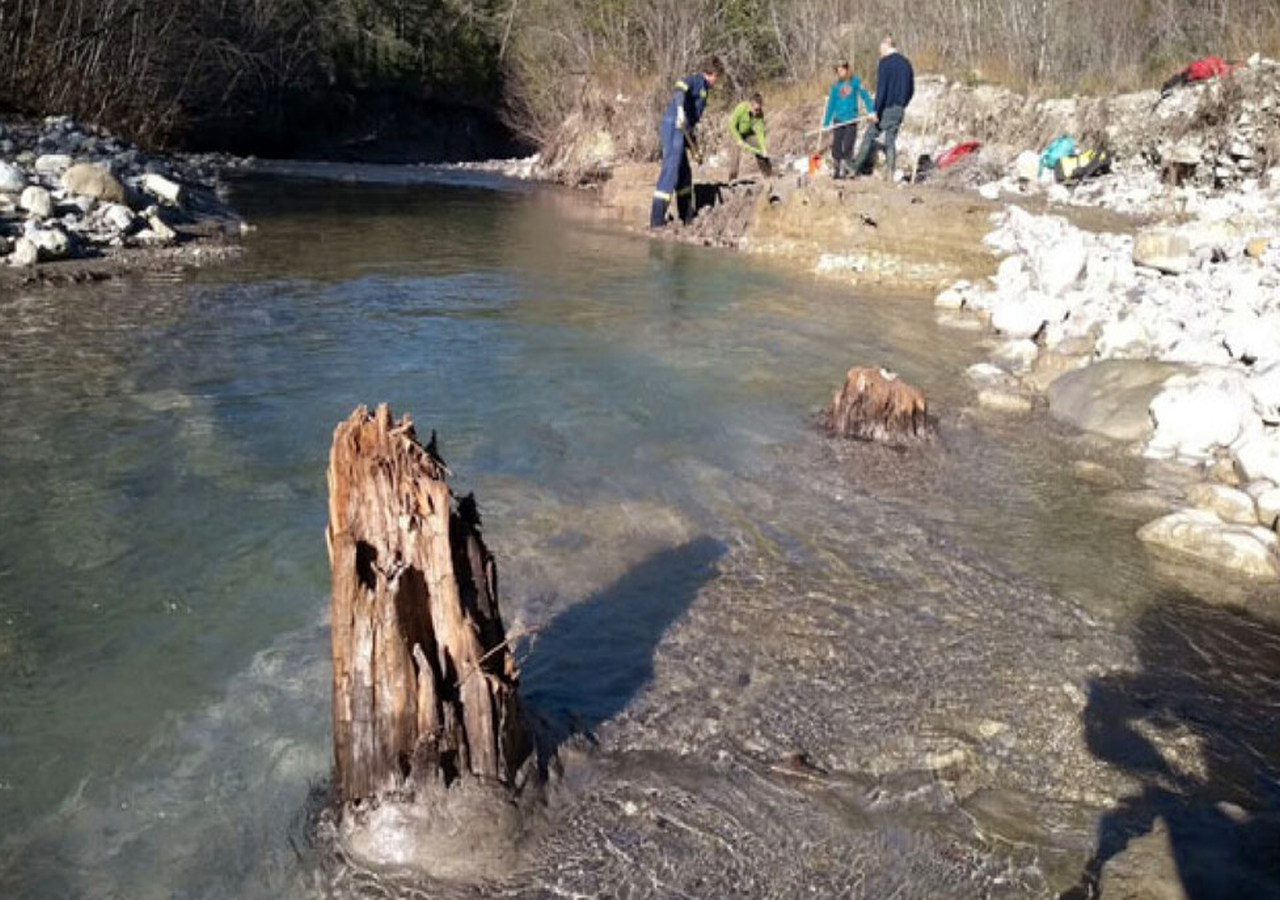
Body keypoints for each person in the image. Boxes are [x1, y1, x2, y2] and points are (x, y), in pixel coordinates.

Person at [651, 57, 722, 228]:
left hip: (683, 130)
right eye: (717, 77)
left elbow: (690, 123)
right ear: (710, 74)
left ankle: (686, 218)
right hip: (673, 125)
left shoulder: (705, 89)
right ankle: (657, 221)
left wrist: (694, 149)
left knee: (684, 174)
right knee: (671, 169)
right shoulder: (697, 80)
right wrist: (680, 111)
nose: (717, 81)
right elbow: (680, 87)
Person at [851, 36, 914, 181]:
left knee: (869, 135)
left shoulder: (885, 63)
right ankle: (890, 173)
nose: (880, 52)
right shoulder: (906, 64)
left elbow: (882, 89)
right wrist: (903, 103)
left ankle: (855, 168)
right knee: (890, 140)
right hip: (899, 108)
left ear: (886, 46)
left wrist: (875, 111)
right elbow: (911, 89)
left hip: (885, 108)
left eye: (881, 49)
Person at [822, 61, 873, 179]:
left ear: (847, 70)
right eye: (838, 70)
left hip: (851, 118)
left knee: (849, 144)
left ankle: (847, 168)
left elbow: (865, 96)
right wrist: (826, 121)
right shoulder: (835, 86)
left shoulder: (855, 82)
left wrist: (871, 111)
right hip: (839, 119)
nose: (840, 72)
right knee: (837, 145)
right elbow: (831, 104)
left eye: (842, 70)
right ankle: (837, 168)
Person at [727, 92, 772, 181]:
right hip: (736, 132)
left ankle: (768, 174)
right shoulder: (741, 108)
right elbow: (732, 125)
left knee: (758, 147)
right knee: (735, 157)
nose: (757, 112)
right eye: (755, 110)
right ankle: (732, 179)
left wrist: (763, 148)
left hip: (748, 133)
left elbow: (760, 132)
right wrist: (738, 139)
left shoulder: (759, 114)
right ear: (750, 106)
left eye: (759, 109)